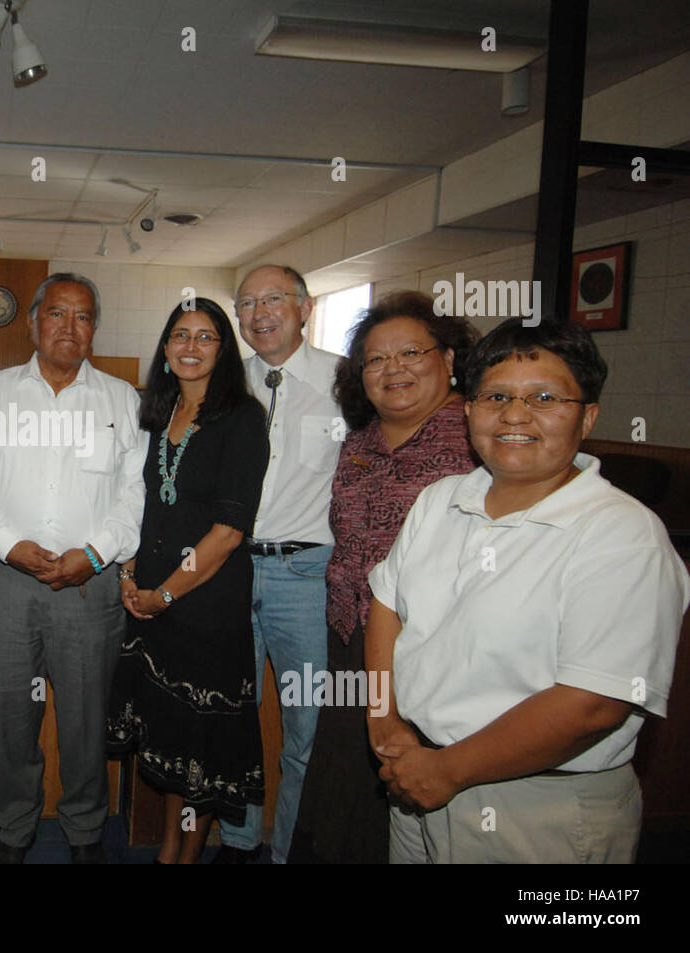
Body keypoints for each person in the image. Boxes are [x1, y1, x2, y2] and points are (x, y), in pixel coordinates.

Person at [366, 319, 690, 863]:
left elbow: (594, 704)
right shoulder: (441, 499)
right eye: (496, 396)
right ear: (468, 410)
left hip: (540, 813)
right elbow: (387, 606)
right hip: (416, 778)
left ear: (586, 417)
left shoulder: (622, 535)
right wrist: (385, 723)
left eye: (544, 397)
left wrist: (449, 770)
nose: (515, 415)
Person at [0, 272, 147, 864]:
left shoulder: (122, 399)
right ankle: (14, 829)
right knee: (12, 715)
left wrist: (94, 555)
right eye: (58, 314)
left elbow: (134, 495)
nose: (71, 327)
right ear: (33, 321)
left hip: (90, 588)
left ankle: (85, 830)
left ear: (95, 327)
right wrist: (7, 544)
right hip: (9, 581)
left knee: (85, 719)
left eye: (84, 316)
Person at [288, 291, 478, 864]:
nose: (393, 368)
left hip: (438, 652)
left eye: (411, 352)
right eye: (375, 359)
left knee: (422, 793)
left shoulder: (479, 441)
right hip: (353, 642)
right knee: (344, 782)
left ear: (448, 359)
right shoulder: (360, 443)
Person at [106, 298, 268, 864]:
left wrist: (167, 591)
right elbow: (138, 502)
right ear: (166, 347)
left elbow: (227, 531)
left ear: (224, 350)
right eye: (180, 335)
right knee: (171, 744)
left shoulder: (244, 418)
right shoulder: (156, 411)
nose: (191, 347)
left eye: (206, 336)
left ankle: (183, 858)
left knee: (200, 752)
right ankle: (168, 852)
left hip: (204, 604)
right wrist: (130, 575)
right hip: (150, 599)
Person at [216, 264, 341, 864]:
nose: (259, 313)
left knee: (307, 729)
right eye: (246, 303)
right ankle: (238, 842)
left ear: (305, 306)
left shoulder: (350, 382)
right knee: (233, 718)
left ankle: (290, 849)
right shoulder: (222, 385)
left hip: (306, 579)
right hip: (230, 571)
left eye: (273, 299)